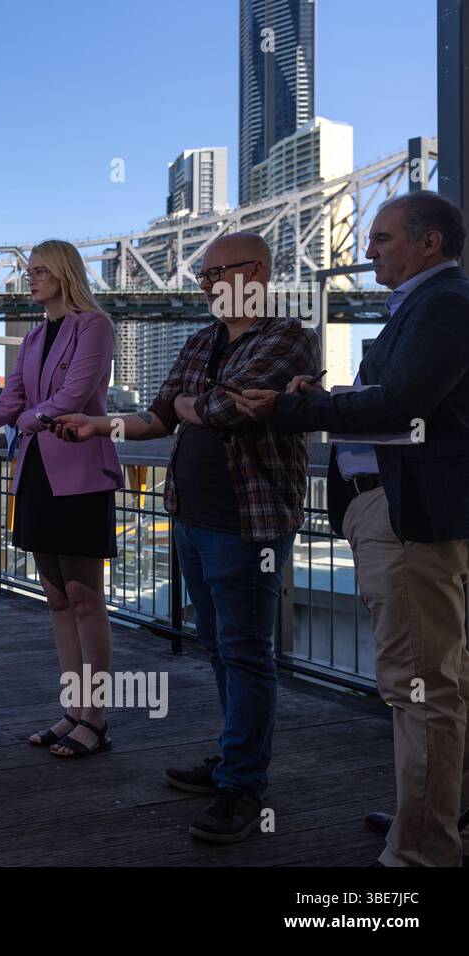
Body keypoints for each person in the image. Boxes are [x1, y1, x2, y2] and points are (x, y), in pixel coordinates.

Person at [54, 232, 318, 842]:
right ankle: (232, 759)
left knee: (247, 652)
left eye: (214, 272)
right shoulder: (199, 340)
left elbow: (226, 411)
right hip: (191, 516)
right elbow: (157, 416)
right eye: (202, 275)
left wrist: (197, 403)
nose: (203, 283)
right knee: (217, 646)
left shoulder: (289, 337)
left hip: (249, 525)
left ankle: (243, 785)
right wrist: (95, 424)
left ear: (254, 272)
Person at [234, 192, 469, 867]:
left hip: (407, 513)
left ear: (429, 243)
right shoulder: (421, 306)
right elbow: (395, 402)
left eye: (382, 237)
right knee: (440, 678)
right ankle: (437, 820)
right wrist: (321, 400)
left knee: (418, 684)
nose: (367, 251)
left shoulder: (444, 301)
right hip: (397, 508)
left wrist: (291, 408)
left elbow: (403, 404)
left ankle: (422, 852)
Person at [0, 240, 122, 758]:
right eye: (28, 271)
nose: (29, 279)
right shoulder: (33, 337)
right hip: (35, 472)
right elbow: (10, 401)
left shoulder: (93, 326)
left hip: (80, 474)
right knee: (55, 598)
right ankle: (73, 710)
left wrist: (27, 418)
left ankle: (96, 720)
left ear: (63, 273)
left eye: (38, 271)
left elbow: (72, 398)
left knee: (84, 597)